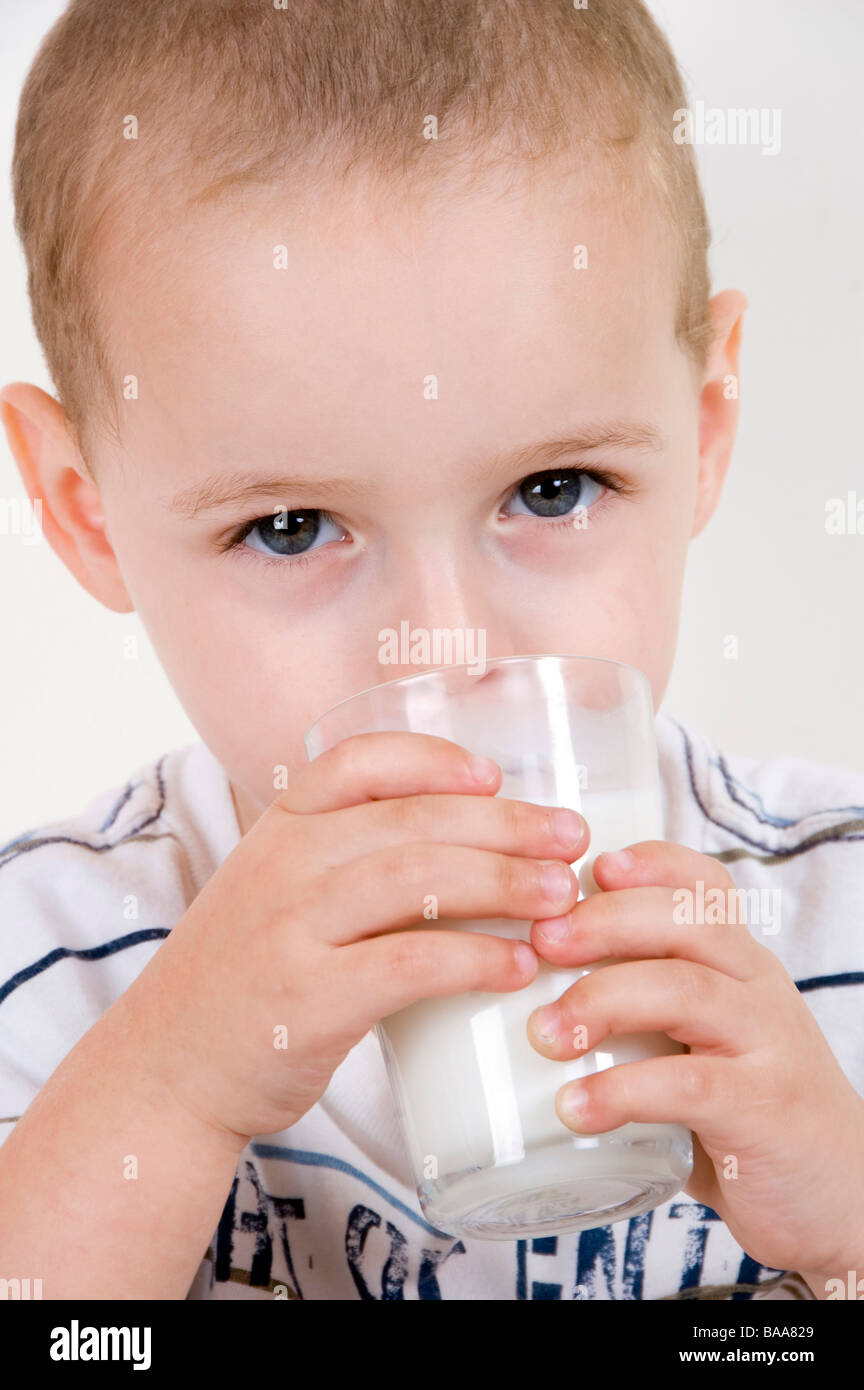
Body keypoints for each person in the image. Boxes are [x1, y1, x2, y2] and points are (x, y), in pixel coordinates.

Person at [1, 0, 862, 1301]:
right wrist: (171, 1088)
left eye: (554, 490)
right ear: (85, 514)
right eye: (290, 527)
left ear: (705, 427)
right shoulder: (50, 962)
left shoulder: (835, 915)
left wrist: (850, 1229)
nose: (446, 650)